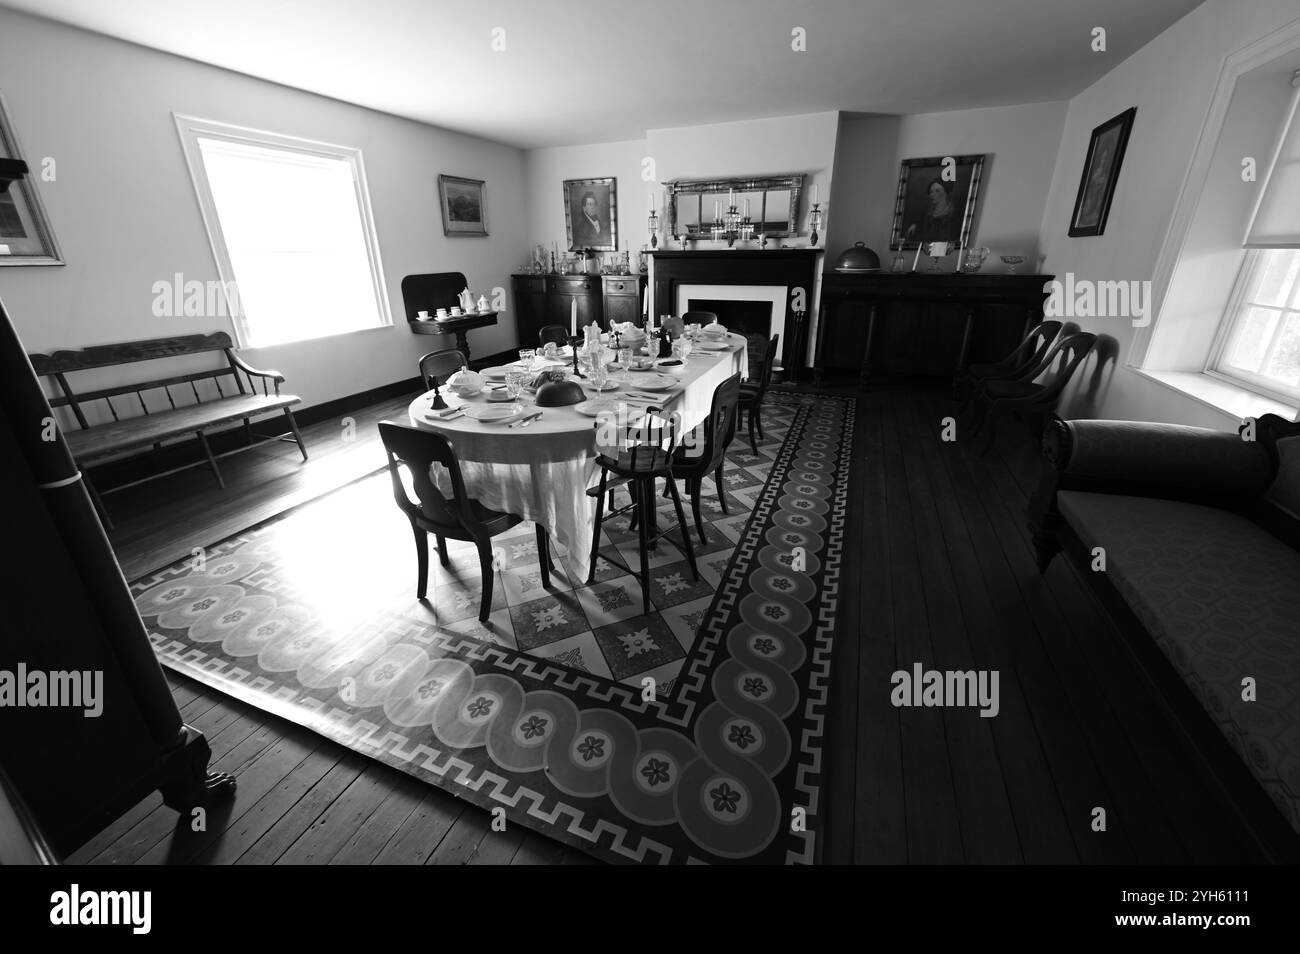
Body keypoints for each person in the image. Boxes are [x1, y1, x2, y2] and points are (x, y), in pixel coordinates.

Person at [905, 178, 960, 244]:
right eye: (931, 192)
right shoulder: (926, 215)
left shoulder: (953, 215)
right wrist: (915, 225)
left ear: (945, 192)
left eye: (937, 191)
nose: (933, 194)